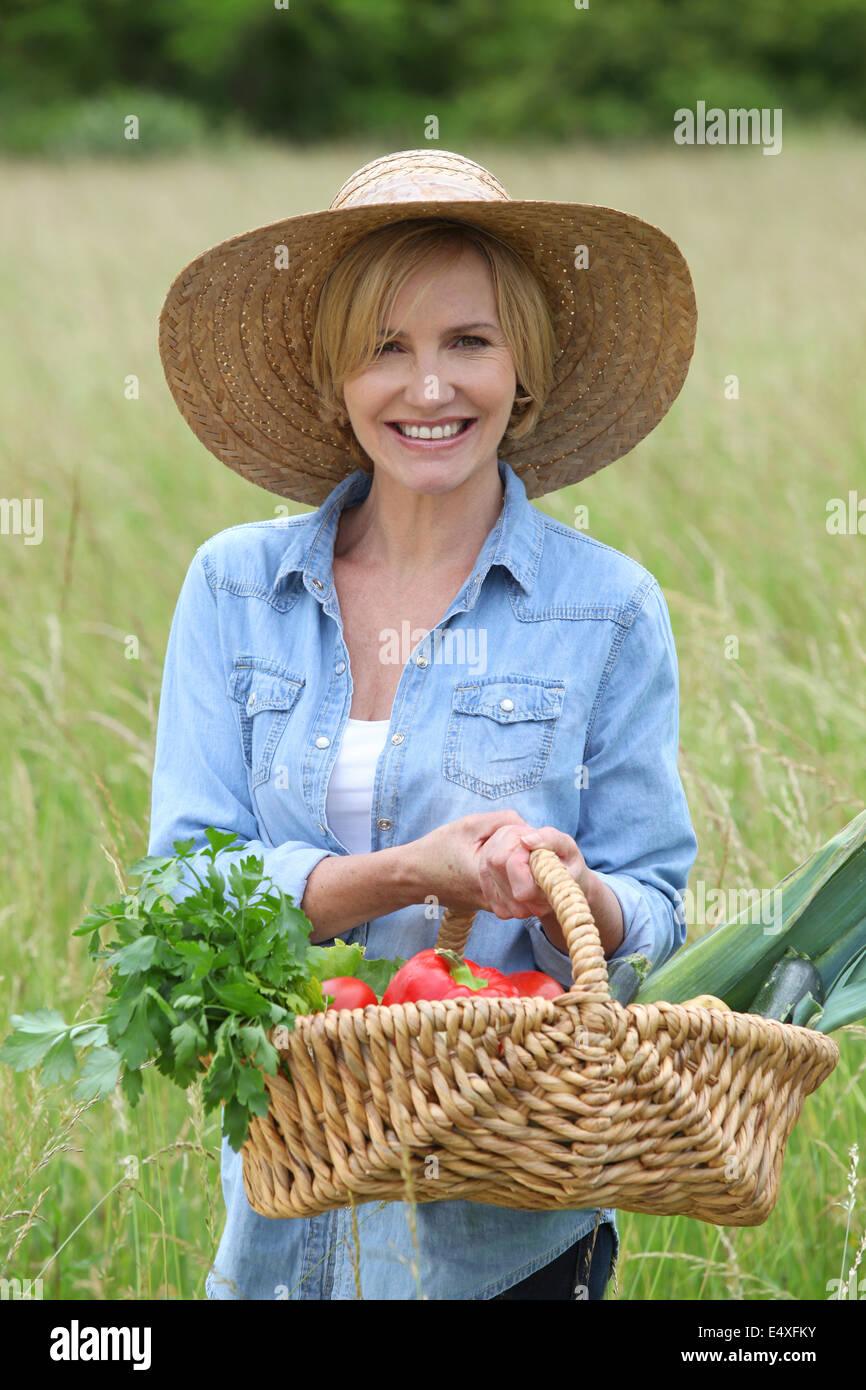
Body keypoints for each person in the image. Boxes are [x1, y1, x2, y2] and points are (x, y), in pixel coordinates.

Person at [152, 148, 699, 1300]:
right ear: (334, 379)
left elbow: (651, 908)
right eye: (384, 348)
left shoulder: (605, 607)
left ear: (524, 367)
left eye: (469, 342)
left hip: (510, 1235)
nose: (429, 388)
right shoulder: (233, 587)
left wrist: (572, 890)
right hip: (283, 1221)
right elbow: (179, 890)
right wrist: (406, 870)